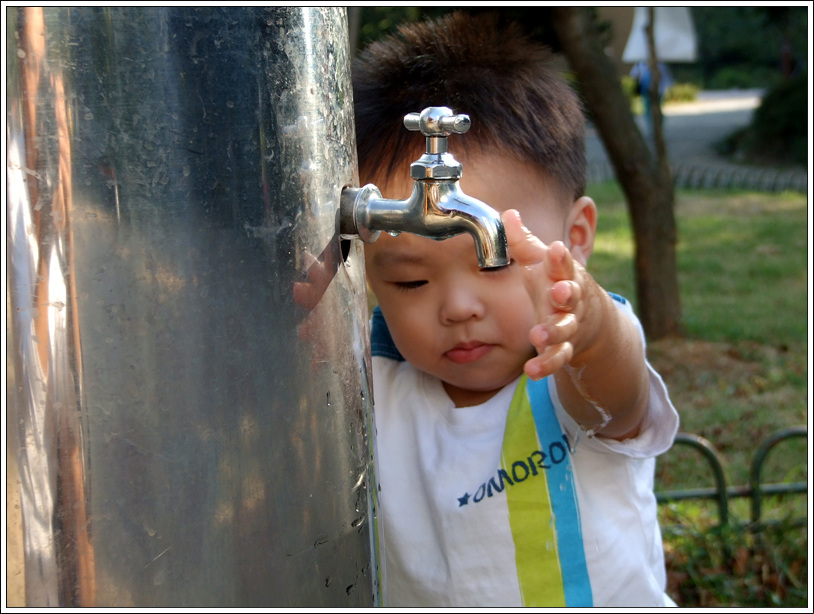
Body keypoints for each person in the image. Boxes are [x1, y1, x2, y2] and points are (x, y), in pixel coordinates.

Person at [352, 11, 679, 607]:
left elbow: (618, 395)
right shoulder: (375, 381)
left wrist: (588, 321)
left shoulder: (572, 360)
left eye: (495, 262)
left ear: (576, 237)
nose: (456, 308)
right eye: (409, 282)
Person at [630, 59, 672, 140]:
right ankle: (651, 130)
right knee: (647, 111)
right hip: (646, 92)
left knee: (657, 110)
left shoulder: (660, 64)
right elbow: (634, 75)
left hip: (658, 91)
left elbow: (666, 78)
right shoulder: (640, 64)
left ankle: (659, 129)